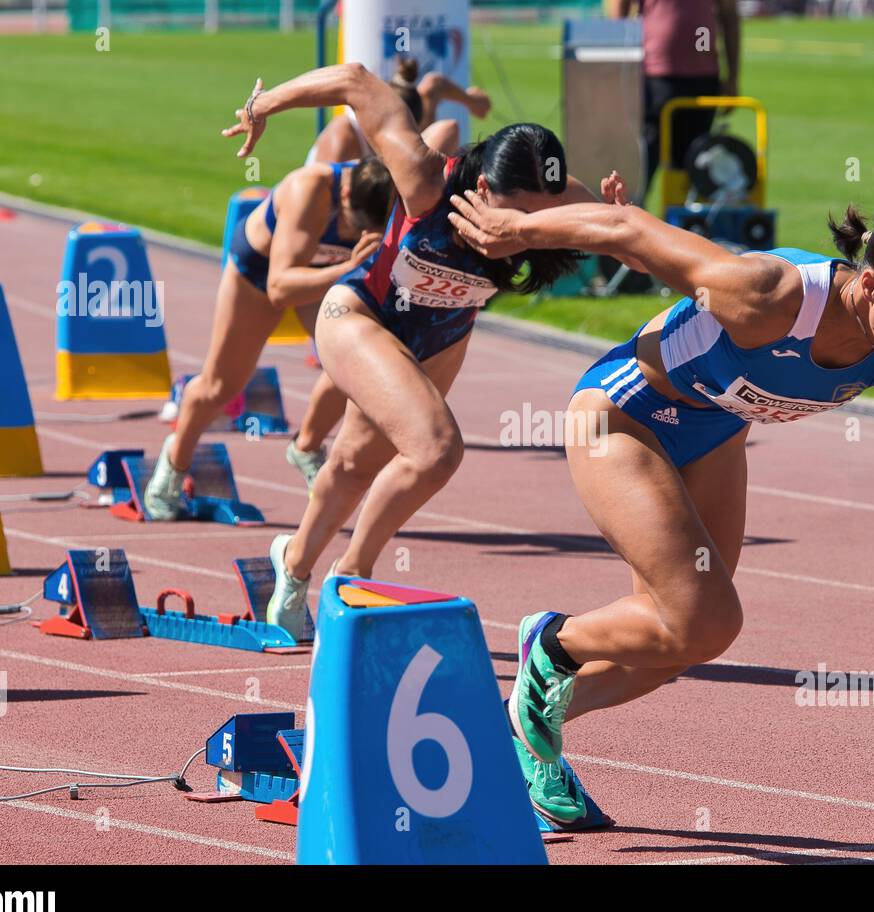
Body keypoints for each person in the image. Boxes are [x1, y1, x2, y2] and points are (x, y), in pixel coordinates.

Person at [448, 190, 874, 824]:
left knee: (676, 646)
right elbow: (626, 228)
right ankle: (551, 642)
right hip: (624, 416)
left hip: (716, 437)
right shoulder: (770, 294)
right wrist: (520, 227)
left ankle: (528, 730)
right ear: (869, 286)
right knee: (707, 618)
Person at [220, 64, 611, 637]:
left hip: (441, 336)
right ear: (482, 189)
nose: (527, 227)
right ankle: (352, 580)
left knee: (354, 464)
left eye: (539, 215)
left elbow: (636, 240)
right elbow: (355, 81)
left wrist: (618, 216)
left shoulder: (558, 200)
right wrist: (265, 105)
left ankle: (293, 565)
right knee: (436, 451)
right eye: (516, 214)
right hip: (359, 315)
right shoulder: (426, 177)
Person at [142, 156, 393, 517]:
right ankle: (173, 465)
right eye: (354, 225)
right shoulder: (310, 190)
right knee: (220, 386)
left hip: (323, 276)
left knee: (355, 363)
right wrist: (350, 268)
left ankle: (306, 447)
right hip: (260, 279)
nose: (355, 234)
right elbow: (280, 288)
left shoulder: (388, 193)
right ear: (347, 192)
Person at [288, 59, 490, 478]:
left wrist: (471, 101)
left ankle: (326, 446)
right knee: (347, 354)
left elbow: (437, 98)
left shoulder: (413, 147)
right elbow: (317, 208)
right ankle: (307, 445)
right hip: (329, 237)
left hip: (386, 237)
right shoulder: (344, 142)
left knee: (371, 357)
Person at [611, 0, 741, 194]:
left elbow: (729, 15)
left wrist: (732, 78)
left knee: (691, 167)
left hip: (703, 78)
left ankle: (679, 221)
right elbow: (619, 10)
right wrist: (616, 65)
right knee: (640, 168)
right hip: (654, 76)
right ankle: (627, 219)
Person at [307, 58, 491, 165]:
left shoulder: (421, 116)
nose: (405, 143)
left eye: (411, 134)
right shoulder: (343, 137)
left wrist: (474, 102)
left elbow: (434, 85)